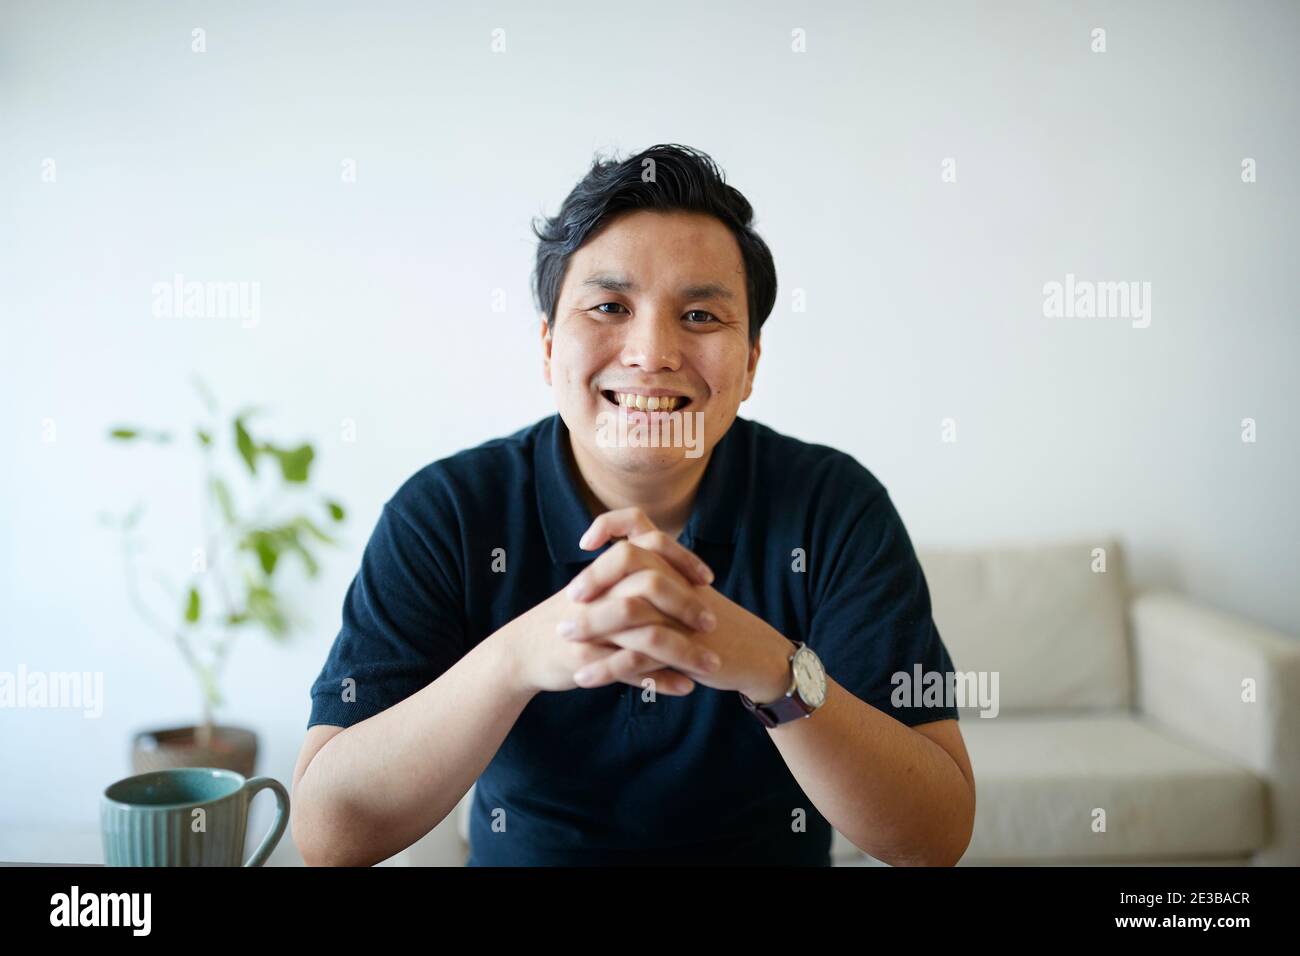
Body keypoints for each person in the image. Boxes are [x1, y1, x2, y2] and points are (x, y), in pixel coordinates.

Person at [291, 144, 975, 866]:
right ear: (549, 347)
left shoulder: (836, 507)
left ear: (750, 366)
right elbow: (330, 836)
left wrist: (775, 671)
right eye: (610, 306)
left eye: (702, 315)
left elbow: (934, 838)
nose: (652, 352)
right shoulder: (448, 512)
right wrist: (518, 657)